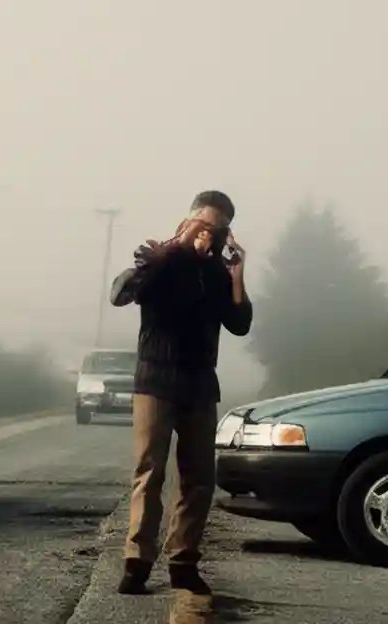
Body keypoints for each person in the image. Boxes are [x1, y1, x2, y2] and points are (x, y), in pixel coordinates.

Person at [112, 190, 252, 596]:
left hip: (199, 383)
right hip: (155, 381)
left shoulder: (217, 274)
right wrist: (173, 249)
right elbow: (120, 293)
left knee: (199, 479)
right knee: (149, 472)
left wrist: (237, 273)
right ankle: (137, 562)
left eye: (217, 228)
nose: (207, 234)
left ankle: (183, 562)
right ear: (185, 222)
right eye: (201, 224)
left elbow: (240, 322)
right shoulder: (158, 257)